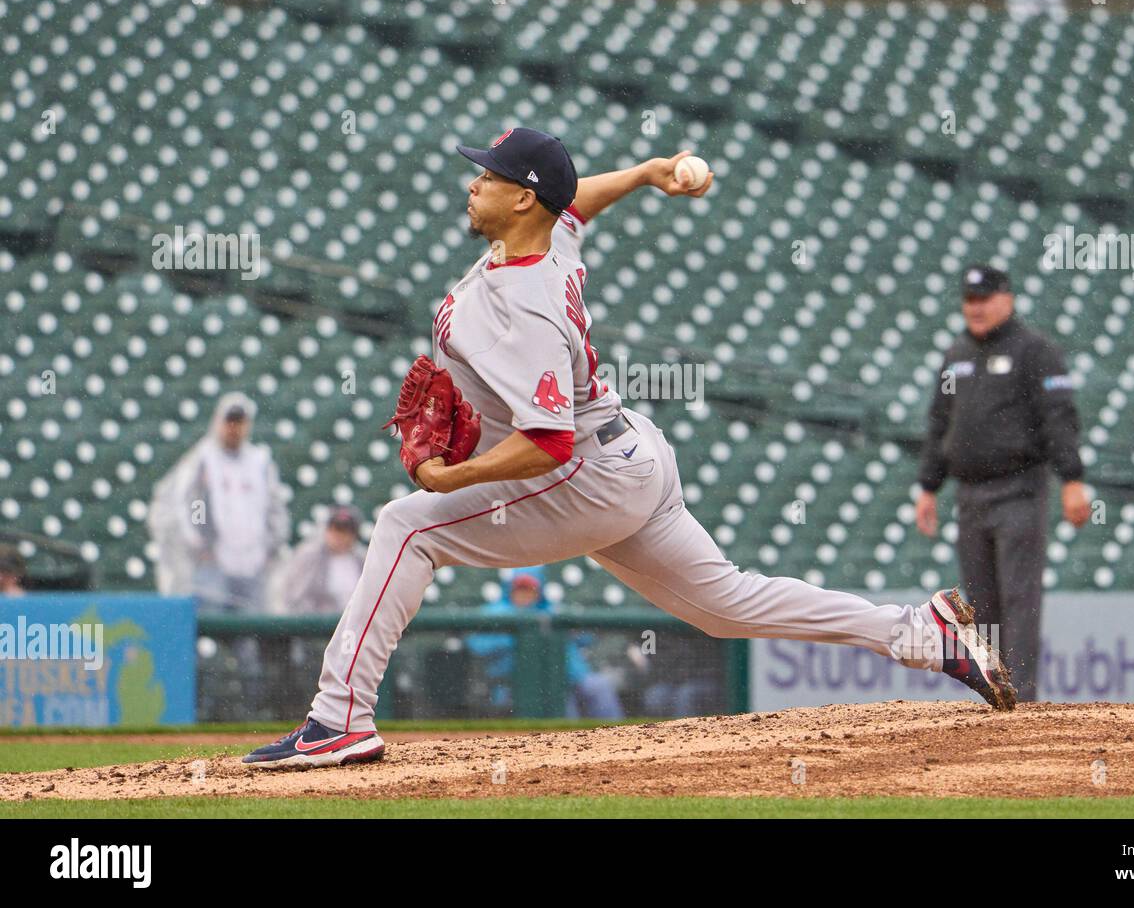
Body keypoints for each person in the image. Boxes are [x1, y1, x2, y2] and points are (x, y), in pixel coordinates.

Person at [244, 128, 1015, 768]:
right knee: (725, 605)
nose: (473, 182)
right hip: (629, 455)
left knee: (405, 525)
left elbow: (544, 443)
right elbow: (578, 202)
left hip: (582, 472)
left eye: (489, 175)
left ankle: (339, 717)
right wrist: (647, 173)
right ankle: (922, 633)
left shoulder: (525, 306)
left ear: (522, 198)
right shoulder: (545, 239)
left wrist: (458, 476)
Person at [914, 265, 1090, 702]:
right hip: (970, 494)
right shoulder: (956, 355)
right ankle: (998, 692)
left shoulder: (1036, 352)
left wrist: (1072, 480)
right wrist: (928, 486)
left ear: (1007, 300)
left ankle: (1023, 693)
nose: (975, 307)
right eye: (969, 299)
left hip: (1019, 489)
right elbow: (939, 424)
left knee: (1018, 596)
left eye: (984, 299)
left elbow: (1059, 417)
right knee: (982, 603)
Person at [148, 392, 290, 614]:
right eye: (229, 421)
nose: (234, 428)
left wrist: (270, 547)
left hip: (252, 564)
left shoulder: (259, 462)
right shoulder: (202, 460)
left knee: (252, 630)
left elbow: (275, 510)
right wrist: (200, 543)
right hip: (214, 564)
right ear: (218, 422)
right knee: (210, 621)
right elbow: (188, 504)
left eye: (239, 422)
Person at [465, 568, 624, 719]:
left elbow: (588, 637)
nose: (524, 594)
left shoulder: (551, 610)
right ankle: (567, 744)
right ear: (511, 589)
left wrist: (574, 631)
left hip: (570, 677)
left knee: (599, 686)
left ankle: (615, 739)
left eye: (529, 589)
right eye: (520, 588)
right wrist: (515, 639)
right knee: (562, 705)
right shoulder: (495, 613)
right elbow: (475, 645)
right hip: (514, 682)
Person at [267, 506, 367, 615]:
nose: (340, 536)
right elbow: (292, 595)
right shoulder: (310, 556)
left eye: (346, 531)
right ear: (327, 530)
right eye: (336, 530)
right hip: (316, 624)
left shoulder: (361, 560)